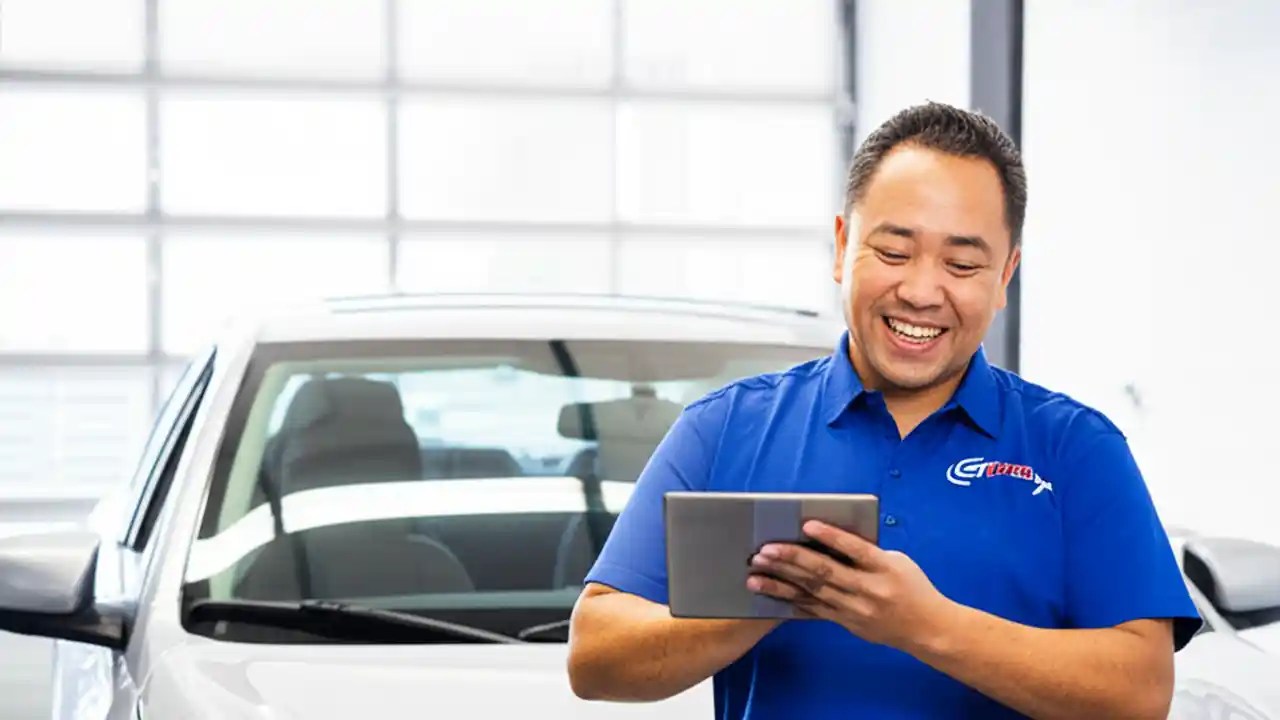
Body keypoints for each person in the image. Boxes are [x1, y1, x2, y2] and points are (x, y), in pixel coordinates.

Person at [564, 101, 1201, 719]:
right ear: (843, 247)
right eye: (894, 252)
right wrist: (773, 594)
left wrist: (925, 625)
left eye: (961, 263)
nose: (921, 291)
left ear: (1005, 274)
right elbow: (595, 656)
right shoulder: (725, 428)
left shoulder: (1076, 448)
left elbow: (1140, 693)